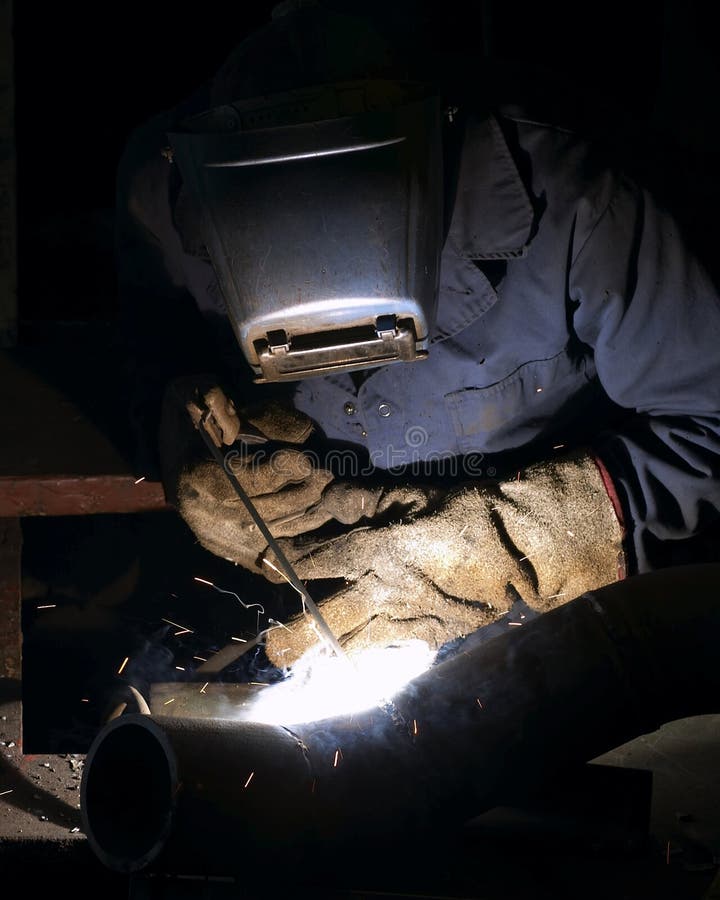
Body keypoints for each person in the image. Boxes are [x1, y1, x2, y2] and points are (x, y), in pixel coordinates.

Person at [116, 1, 720, 668]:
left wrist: (518, 540)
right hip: (315, 602)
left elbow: (712, 425)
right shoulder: (162, 198)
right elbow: (149, 361)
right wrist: (184, 443)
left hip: (557, 609)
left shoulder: (580, 196)